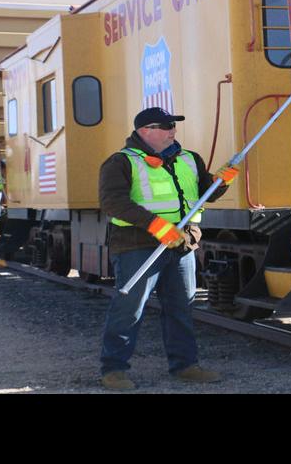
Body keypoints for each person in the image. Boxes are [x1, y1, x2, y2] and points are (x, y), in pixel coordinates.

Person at [98, 107, 238, 391]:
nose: (172, 130)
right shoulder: (121, 162)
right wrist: (157, 225)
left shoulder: (189, 159)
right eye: (165, 126)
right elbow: (113, 203)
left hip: (181, 245)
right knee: (130, 308)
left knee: (181, 307)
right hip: (138, 246)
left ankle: (185, 366)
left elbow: (204, 194)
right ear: (144, 131)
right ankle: (114, 370)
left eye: (173, 125)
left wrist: (221, 182)